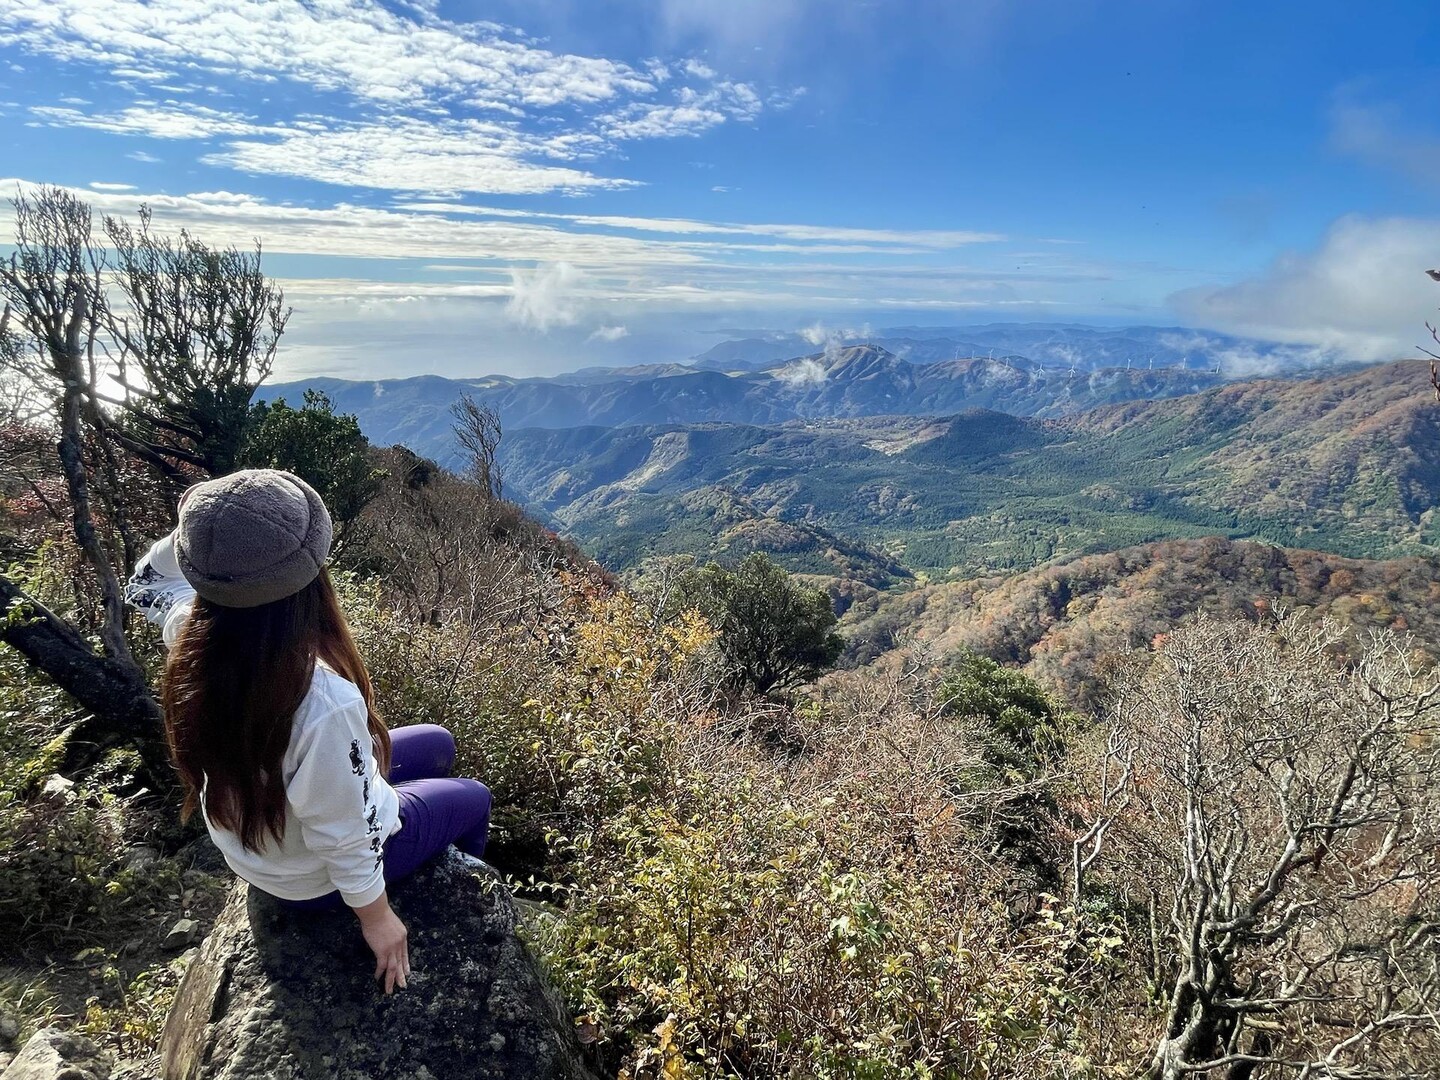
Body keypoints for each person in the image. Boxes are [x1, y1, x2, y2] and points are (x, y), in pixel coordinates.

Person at [124, 468, 492, 995]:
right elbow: (346, 834)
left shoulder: (192, 636)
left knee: (437, 742)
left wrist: (204, 531)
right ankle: (469, 892)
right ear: (310, 581)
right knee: (475, 799)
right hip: (310, 879)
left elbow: (143, 583)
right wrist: (377, 919)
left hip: (258, 844)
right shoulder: (322, 704)